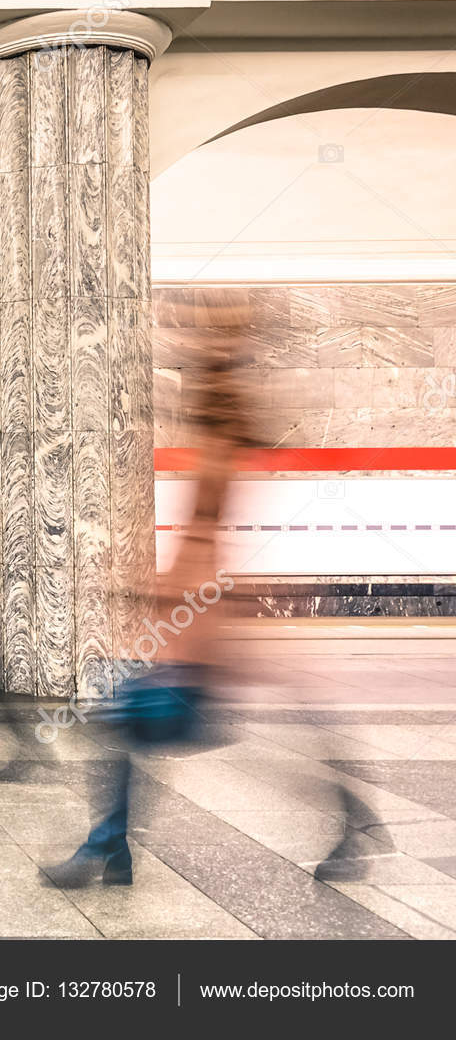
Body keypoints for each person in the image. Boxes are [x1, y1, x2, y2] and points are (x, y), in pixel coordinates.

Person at [42, 299, 377, 887]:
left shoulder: (218, 455)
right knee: (136, 727)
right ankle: (111, 849)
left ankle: (107, 850)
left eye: (201, 385)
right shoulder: (215, 452)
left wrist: (157, 602)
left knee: (123, 724)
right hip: (195, 636)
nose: (186, 397)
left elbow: (203, 548)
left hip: (197, 645)